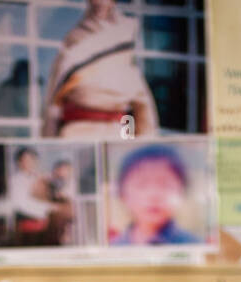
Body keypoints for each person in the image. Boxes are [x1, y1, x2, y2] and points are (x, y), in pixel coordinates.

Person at [42, 0, 158, 140]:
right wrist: (49, 140)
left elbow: (138, 98)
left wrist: (145, 139)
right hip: (77, 132)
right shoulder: (74, 39)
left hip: (119, 131)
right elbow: (56, 96)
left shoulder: (124, 34)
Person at [110, 145, 199, 246]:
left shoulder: (194, 246)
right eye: (141, 185)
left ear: (181, 191)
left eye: (164, 184)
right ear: (123, 194)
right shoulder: (114, 248)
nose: (153, 195)